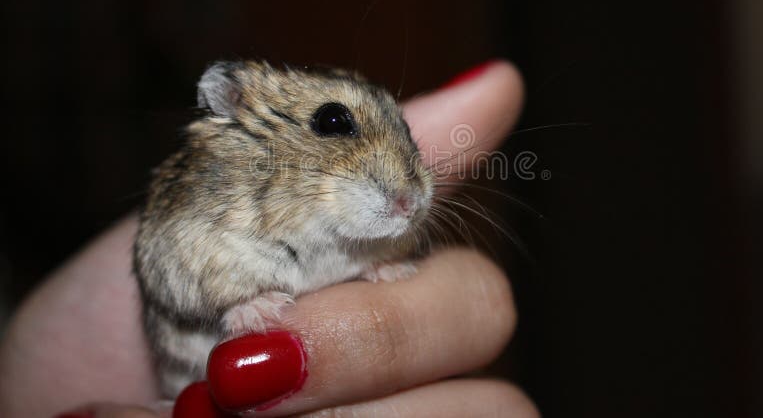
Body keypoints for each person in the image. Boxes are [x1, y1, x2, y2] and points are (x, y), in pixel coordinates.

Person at [0, 61, 538, 418]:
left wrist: (380, 268)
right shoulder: (199, 195)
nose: (411, 188)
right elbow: (169, 266)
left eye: (403, 136)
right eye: (334, 123)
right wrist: (233, 300)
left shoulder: (383, 213)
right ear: (233, 108)